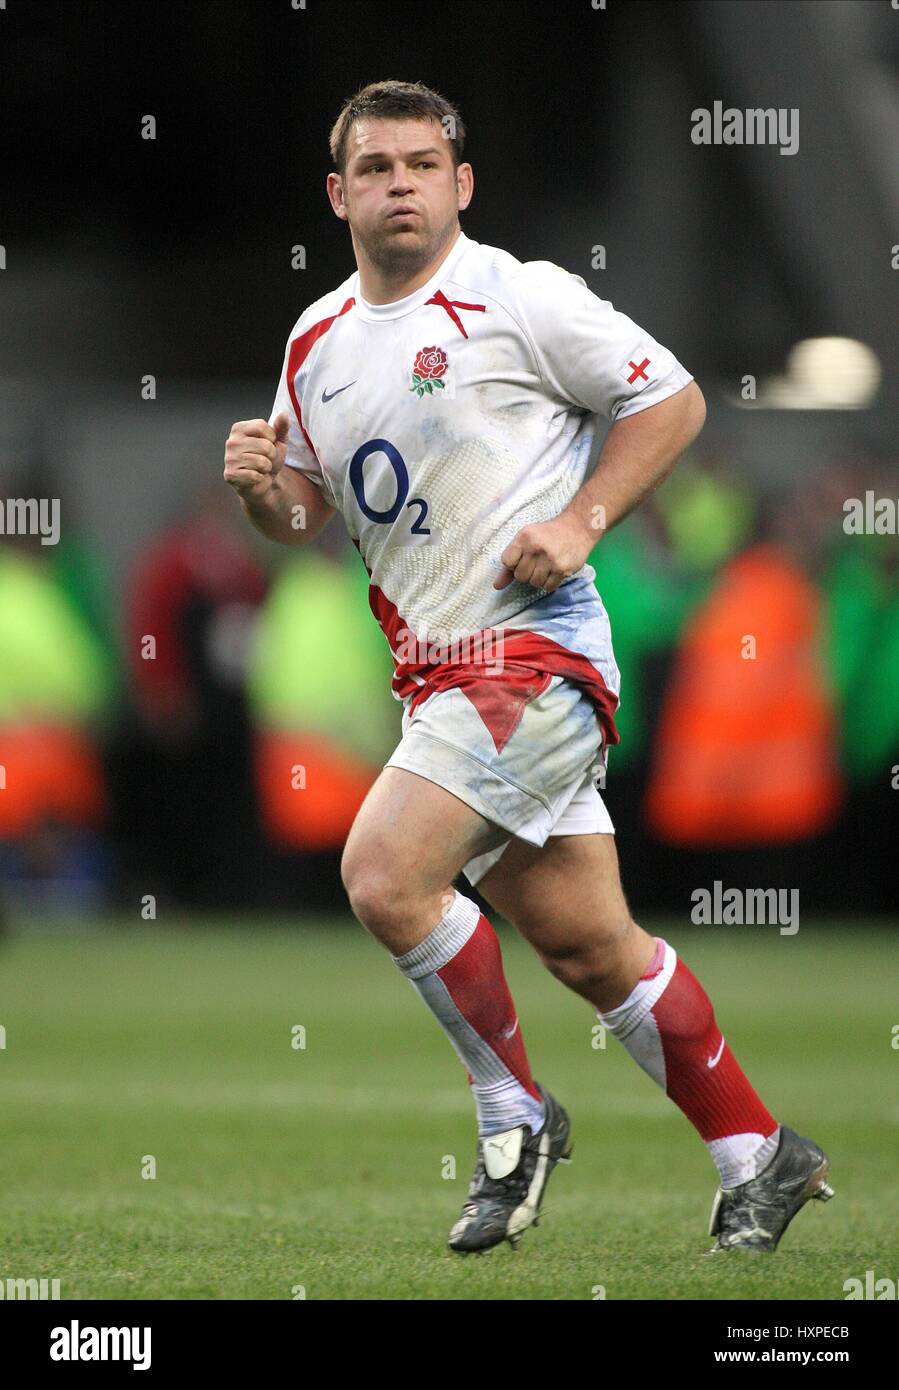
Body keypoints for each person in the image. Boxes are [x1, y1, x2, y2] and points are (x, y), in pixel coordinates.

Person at [223, 80, 832, 1255]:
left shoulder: (518, 296)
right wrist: (263, 492)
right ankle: (757, 1154)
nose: (397, 182)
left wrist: (584, 519)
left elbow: (671, 400)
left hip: (530, 660)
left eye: (421, 162)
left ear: (460, 184)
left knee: (384, 874)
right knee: (589, 947)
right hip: (434, 679)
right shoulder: (317, 340)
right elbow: (306, 516)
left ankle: (513, 1115)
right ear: (337, 192)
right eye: (374, 166)